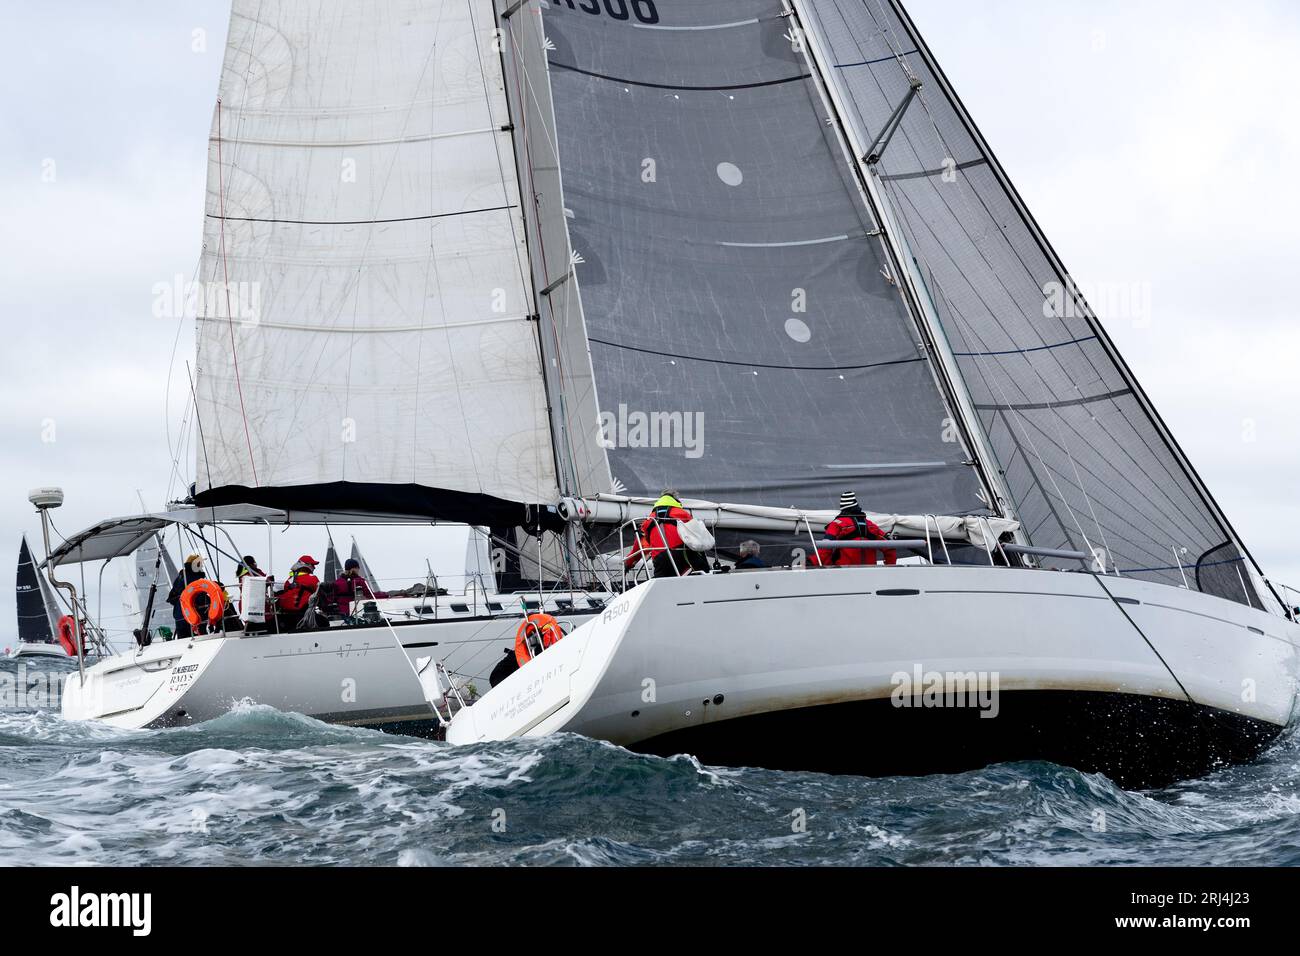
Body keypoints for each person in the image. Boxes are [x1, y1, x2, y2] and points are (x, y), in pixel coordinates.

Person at [625, 490, 709, 578]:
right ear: (676, 500)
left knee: (661, 582)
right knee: (703, 570)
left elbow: (640, 545)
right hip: (682, 555)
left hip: (660, 559)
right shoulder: (683, 514)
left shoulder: (648, 521)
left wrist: (628, 563)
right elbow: (698, 537)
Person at [813, 492, 897, 568]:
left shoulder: (836, 524)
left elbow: (824, 551)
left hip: (843, 575)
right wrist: (889, 568)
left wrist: (810, 562)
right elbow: (890, 548)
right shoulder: (871, 526)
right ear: (856, 506)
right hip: (870, 574)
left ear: (842, 508)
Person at [277, 555, 324, 630]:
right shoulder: (312, 578)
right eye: (313, 565)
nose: (314, 567)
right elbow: (319, 593)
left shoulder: (289, 580)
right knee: (324, 622)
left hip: (287, 615)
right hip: (304, 614)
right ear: (306, 566)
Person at [165, 554, 207, 639]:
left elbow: (172, 598)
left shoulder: (180, 577)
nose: (202, 566)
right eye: (200, 564)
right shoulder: (195, 578)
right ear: (195, 565)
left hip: (179, 617)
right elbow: (200, 598)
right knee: (200, 640)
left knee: (183, 641)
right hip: (193, 616)